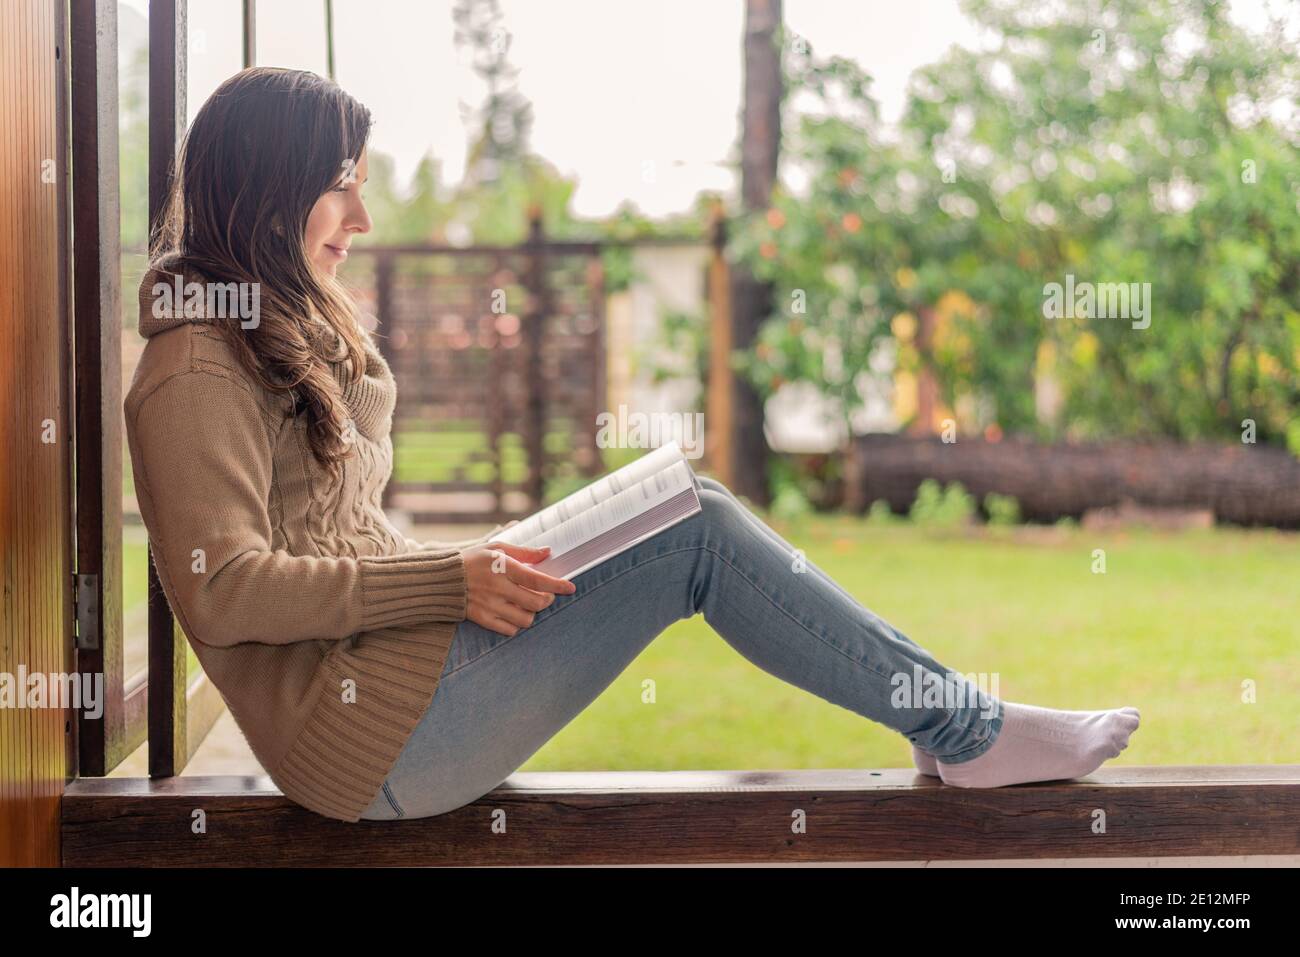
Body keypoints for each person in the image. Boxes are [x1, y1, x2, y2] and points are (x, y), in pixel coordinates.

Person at [124, 67, 1139, 825]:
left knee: (670, 498)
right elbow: (225, 586)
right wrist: (449, 583)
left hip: (398, 681)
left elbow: (335, 541)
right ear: (267, 186)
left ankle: (956, 726)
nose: (362, 216)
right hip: (366, 744)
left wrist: (473, 571)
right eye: (338, 186)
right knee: (691, 529)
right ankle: (964, 732)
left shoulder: (265, 332)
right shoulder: (194, 371)